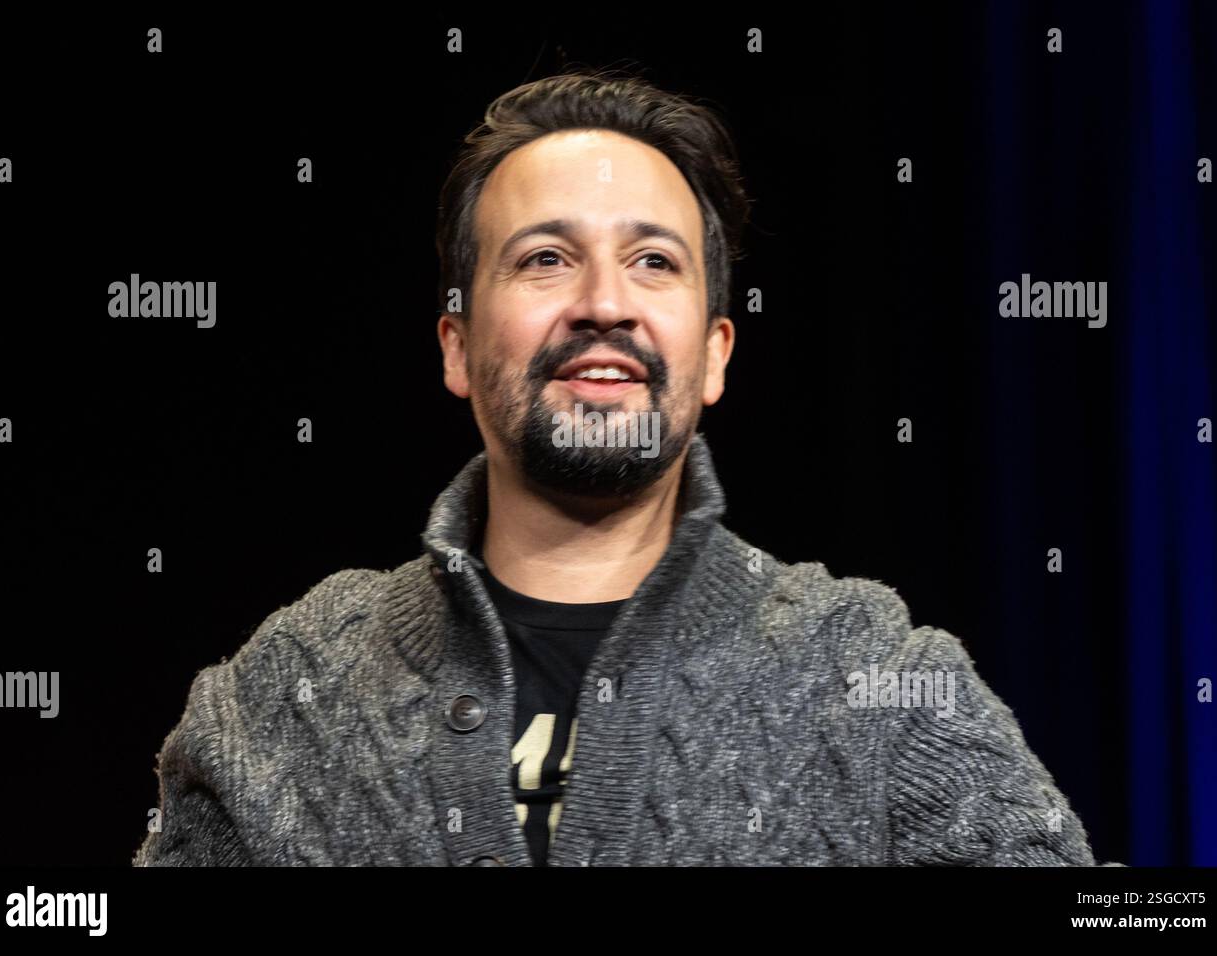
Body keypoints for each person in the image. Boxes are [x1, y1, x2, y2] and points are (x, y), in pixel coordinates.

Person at [134, 69, 1104, 867]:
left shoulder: (875, 676)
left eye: (654, 262)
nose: (605, 302)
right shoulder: (284, 693)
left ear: (715, 353)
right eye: (545, 259)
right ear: (455, 347)